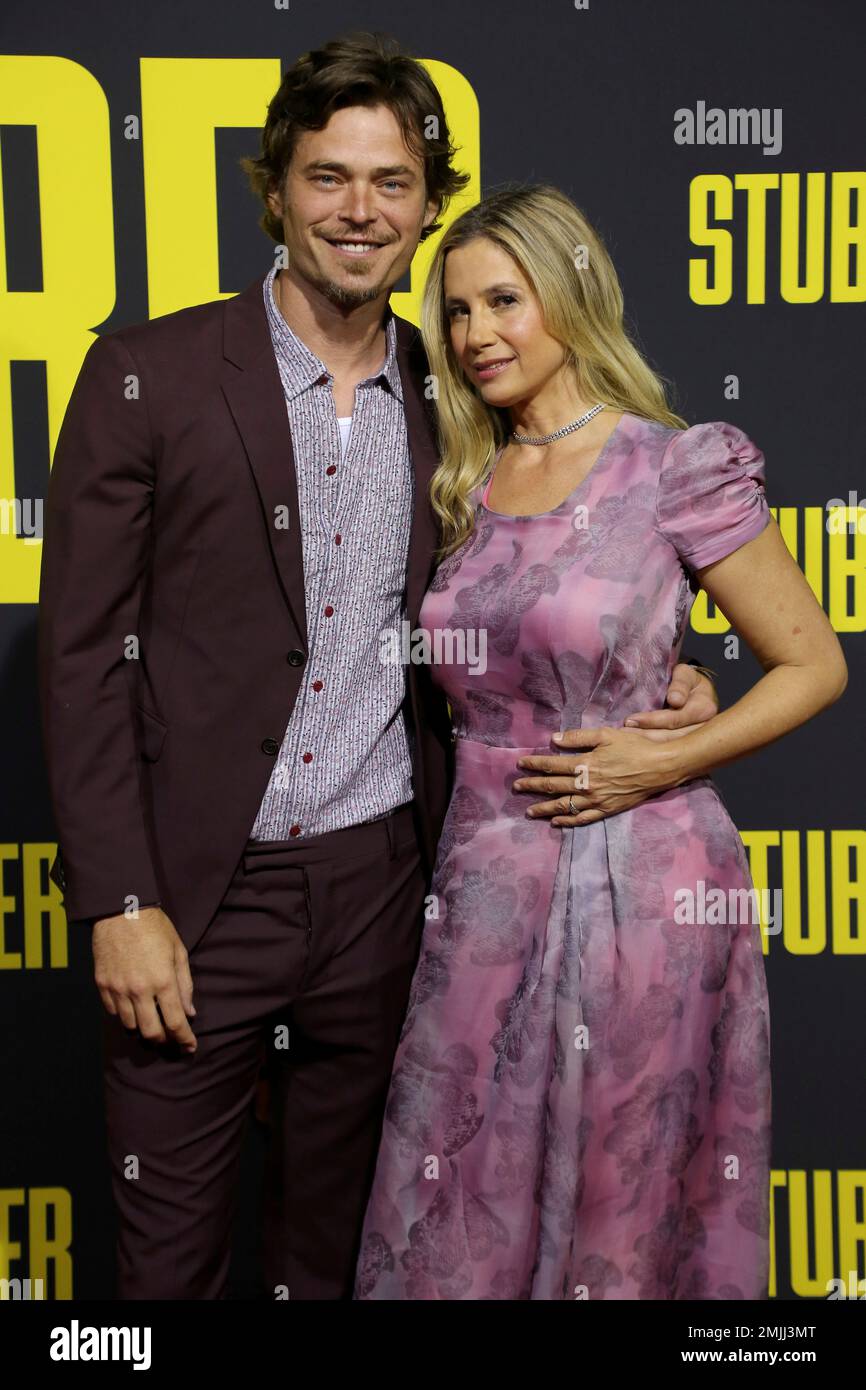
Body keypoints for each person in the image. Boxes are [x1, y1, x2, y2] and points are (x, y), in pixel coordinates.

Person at [37, 34, 718, 1300]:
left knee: (343, 1259)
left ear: (425, 205)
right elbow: (78, 662)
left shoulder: (454, 391)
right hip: (194, 897)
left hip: (387, 895)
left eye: (391, 182)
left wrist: (660, 682)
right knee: (165, 1270)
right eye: (328, 177)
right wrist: (118, 901)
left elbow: (551, 583)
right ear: (276, 192)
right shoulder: (148, 375)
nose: (359, 210)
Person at [353, 183, 848, 1301]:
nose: (477, 335)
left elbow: (814, 661)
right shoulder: (458, 478)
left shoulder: (673, 465)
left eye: (503, 301)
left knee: (618, 1216)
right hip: (481, 888)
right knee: (454, 1208)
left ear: (571, 294)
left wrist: (674, 749)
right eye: (457, 313)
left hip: (642, 889)